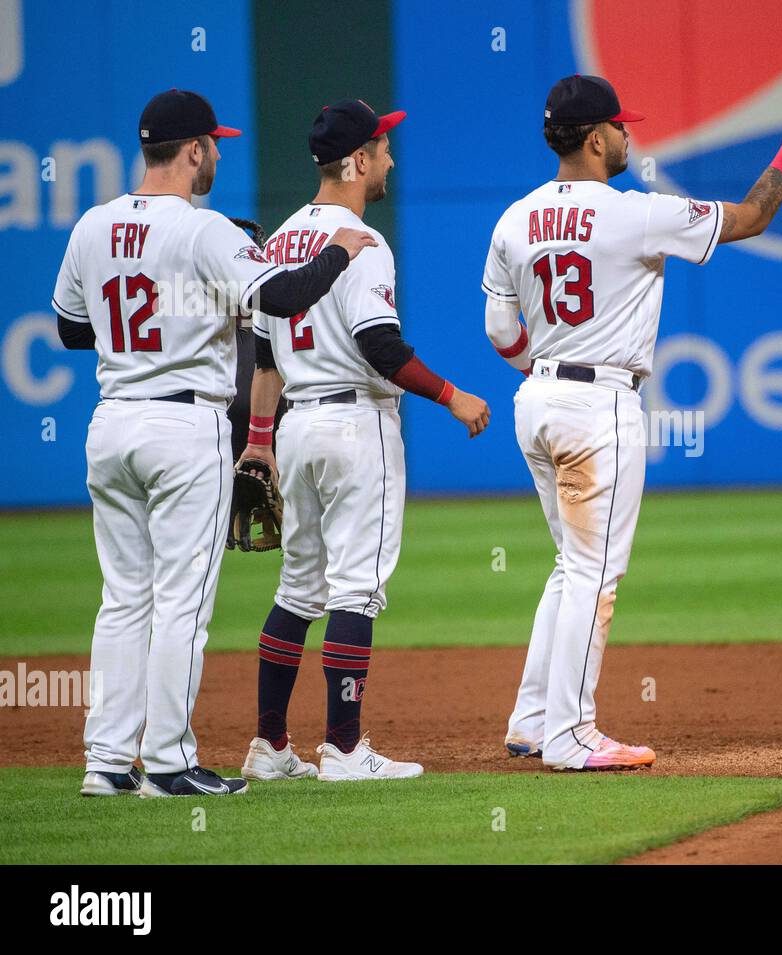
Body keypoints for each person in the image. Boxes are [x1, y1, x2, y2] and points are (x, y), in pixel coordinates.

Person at [482, 72, 782, 770]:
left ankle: (532, 719)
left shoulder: (513, 218)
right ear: (593, 139)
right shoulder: (634, 213)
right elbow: (752, 216)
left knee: (570, 567)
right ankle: (571, 734)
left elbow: (500, 329)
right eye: (618, 126)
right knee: (593, 574)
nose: (626, 135)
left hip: (539, 402)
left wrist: (547, 372)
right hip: (598, 405)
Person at [53, 89, 374, 797]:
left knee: (122, 598)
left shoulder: (91, 225)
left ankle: (106, 765)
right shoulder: (203, 231)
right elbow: (285, 298)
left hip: (112, 424)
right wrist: (338, 252)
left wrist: (179, 309)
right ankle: (168, 761)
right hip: (181, 425)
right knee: (182, 604)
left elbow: (74, 331)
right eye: (214, 144)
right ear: (193, 149)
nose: (219, 154)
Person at [237, 99, 490, 782]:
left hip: (295, 427)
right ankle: (345, 749)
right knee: (356, 590)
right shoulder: (362, 242)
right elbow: (379, 345)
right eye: (381, 148)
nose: (390, 159)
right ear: (355, 161)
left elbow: (261, 358)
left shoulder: (280, 239)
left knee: (297, 588)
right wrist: (450, 394)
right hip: (355, 427)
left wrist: (259, 442)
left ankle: (269, 746)